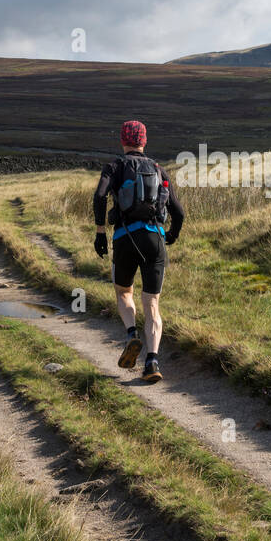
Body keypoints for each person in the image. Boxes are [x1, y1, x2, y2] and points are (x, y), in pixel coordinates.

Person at [92, 120, 184, 382]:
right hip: (155, 238)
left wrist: (100, 232)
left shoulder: (115, 166)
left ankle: (132, 334)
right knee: (152, 303)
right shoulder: (159, 169)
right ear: (144, 141)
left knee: (124, 291)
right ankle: (152, 363)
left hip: (125, 238)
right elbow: (179, 212)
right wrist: (172, 235)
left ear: (123, 140)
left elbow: (99, 197)